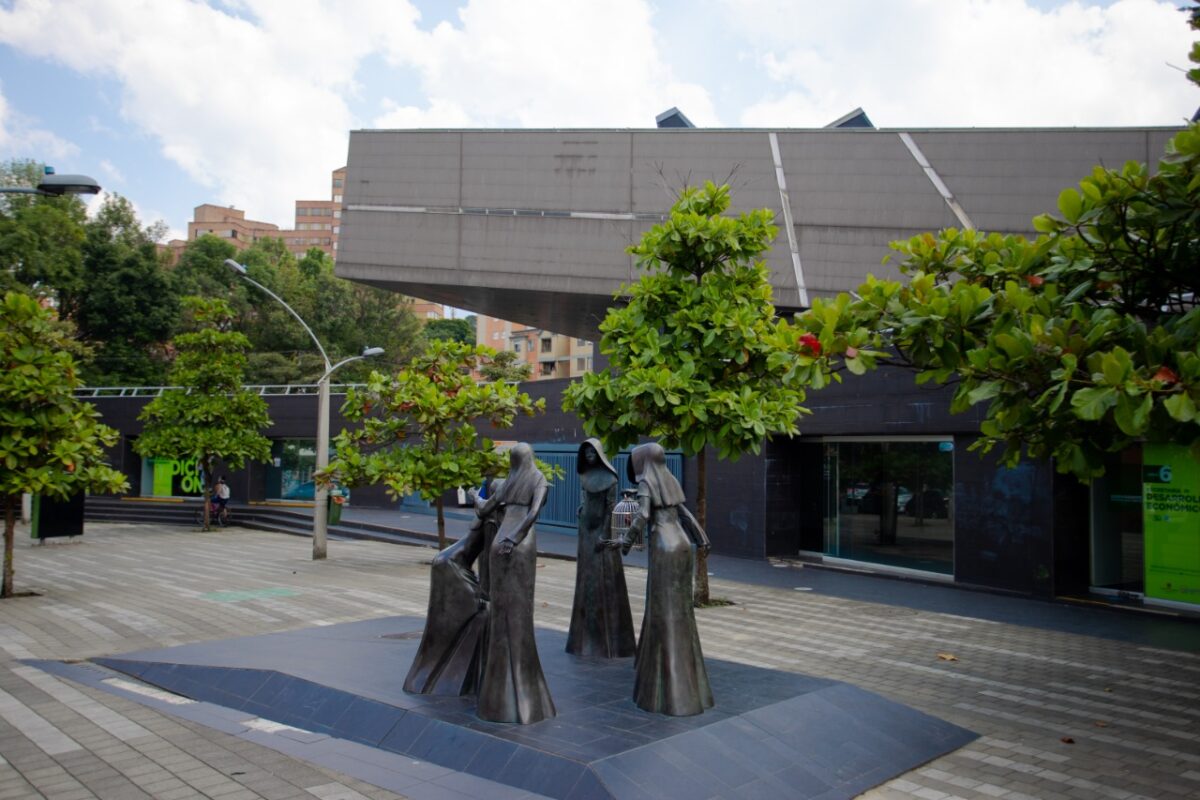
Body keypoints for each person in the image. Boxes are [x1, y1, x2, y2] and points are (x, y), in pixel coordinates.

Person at [615, 442, 713, 716]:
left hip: (663, 545)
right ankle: (690, 685)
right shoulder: (669, 479)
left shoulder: (647, 481)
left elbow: (643, 514)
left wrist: (626, 542)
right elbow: (684, 513)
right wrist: (701, 539)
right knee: (680, 612)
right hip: (681, 543)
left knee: (664, 612)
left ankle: (666, 688)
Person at [473, 444, 556, 724]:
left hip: (504, 541)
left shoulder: (511, 481)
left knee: (504, 608)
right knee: (517, 609)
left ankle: (501, 689)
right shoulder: (537, 479)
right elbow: (533, 514)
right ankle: (520, 686)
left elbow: (485, 509)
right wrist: (516, 538)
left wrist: (475, 497)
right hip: (518, 541)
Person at [403, 479, 506, 697]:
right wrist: (486, 592)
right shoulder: (492, 520)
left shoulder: (487, 514)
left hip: (446, 560)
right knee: (476, 607)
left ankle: (437, 663)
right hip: (451, 565)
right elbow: (487, 559)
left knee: (460, 612)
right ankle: (451, 667)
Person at [566, 438, 635, 658]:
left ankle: (604, 640)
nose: (588, 456)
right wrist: (581, 508)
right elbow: (586, 497)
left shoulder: (611, 479)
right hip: (585, 532)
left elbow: (611, 509)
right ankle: (583, 635)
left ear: (599, 453)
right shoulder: (584, 476)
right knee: (586, 579)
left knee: (601, 580)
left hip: (600, 535)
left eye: (592, 452)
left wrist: (605, 535)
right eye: (585, 453)